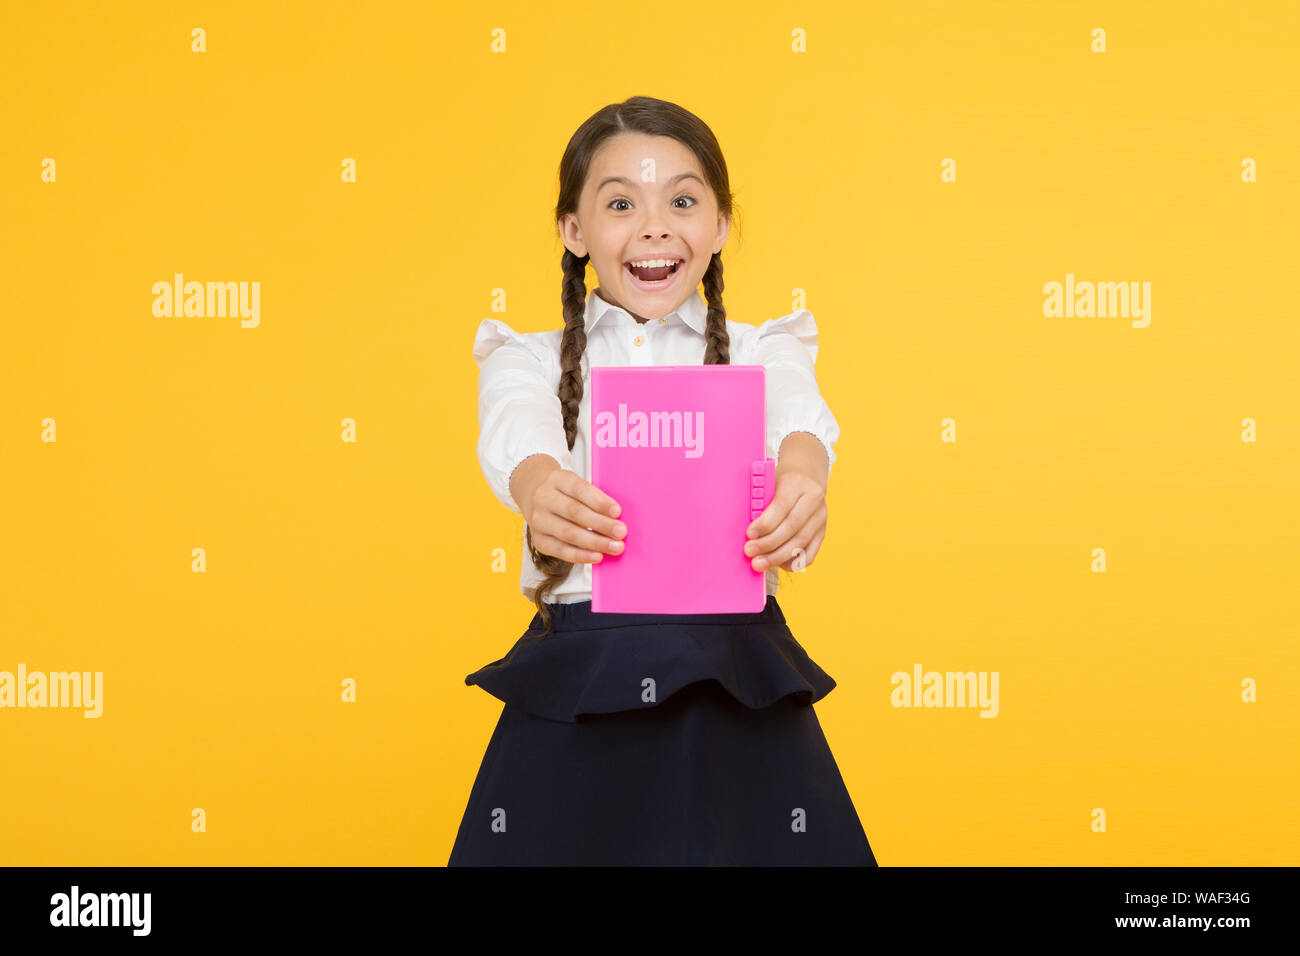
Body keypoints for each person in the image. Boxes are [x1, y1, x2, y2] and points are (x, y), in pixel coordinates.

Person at [448, 95, 878, 866]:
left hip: (734, 679)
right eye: (620, 203)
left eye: (682, 200)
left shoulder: (763, 348)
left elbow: (800, 423)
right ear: (572, 231)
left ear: (719, 226)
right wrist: (540, 489)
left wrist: (805, 481)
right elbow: (518, 432)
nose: (653, 226)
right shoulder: (528, 357)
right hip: (579, 673)